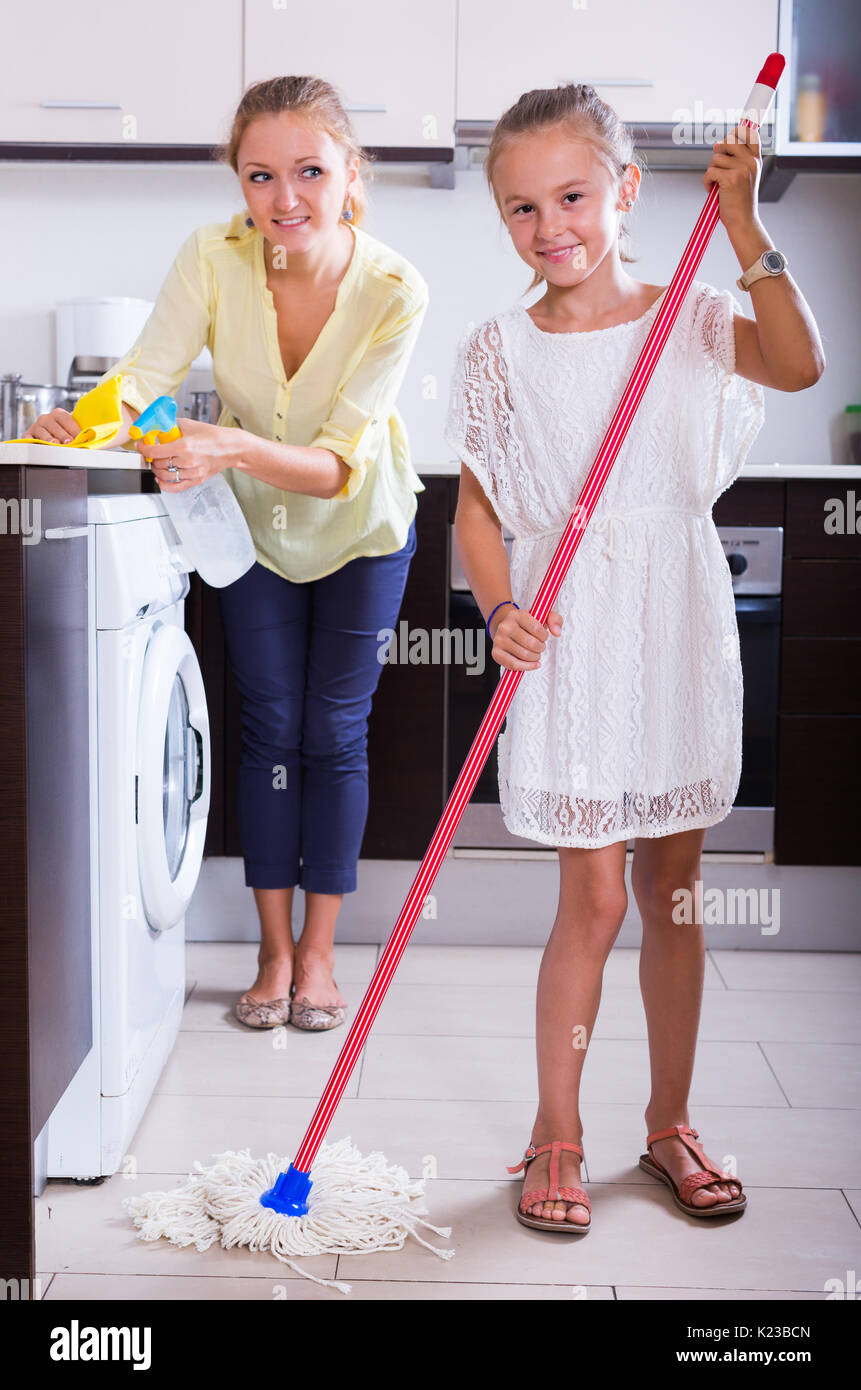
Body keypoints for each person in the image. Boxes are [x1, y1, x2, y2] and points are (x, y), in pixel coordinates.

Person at [445, 83, 824, 1231]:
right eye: (520, 207)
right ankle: (554, 1134)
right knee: (595, 897)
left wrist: (750, 225)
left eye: (570, 195)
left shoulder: (695, 317)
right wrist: (499, 604)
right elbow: (476, 505)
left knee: (674, 891)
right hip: (567, 636)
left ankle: (667, 1126)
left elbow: (800, 366)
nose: (548, 224)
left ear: (626, 190)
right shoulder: (497, 350)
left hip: (675, 623)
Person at [28, 75, 429, 1034]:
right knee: (268, 726)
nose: (284, 198)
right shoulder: (211, 257)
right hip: (247, 529)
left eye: (308, 172)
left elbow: (336, 468)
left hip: (360, 527)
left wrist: (229, 444)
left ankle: (323, 956)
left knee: (331, 733)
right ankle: (272, 952)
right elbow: (143, 382)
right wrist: (76, 426)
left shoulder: (392, 288)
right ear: (238, 182)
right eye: (260, 176)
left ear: (349, 173)